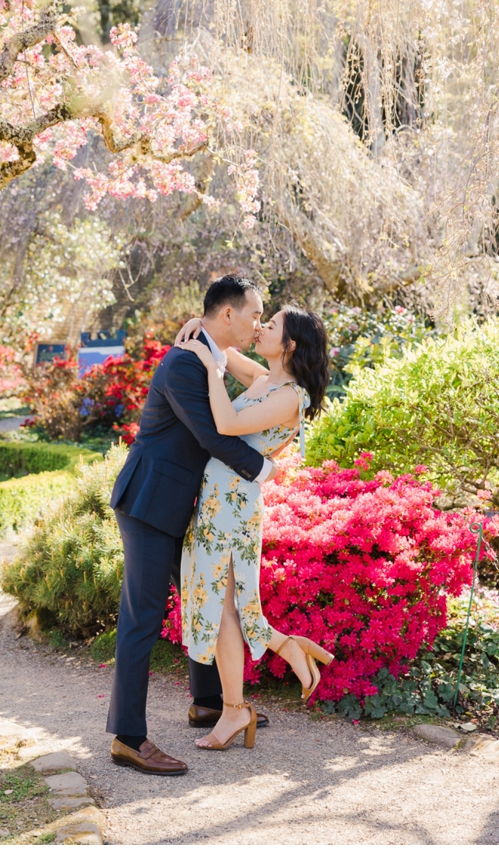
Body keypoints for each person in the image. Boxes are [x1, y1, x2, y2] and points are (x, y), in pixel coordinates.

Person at [105, 274, 276, 776]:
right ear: (228, 314)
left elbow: (254, 384)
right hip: (149, 504)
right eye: (253, 314)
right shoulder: (184, 362)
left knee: (207, 595)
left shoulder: (207, 355)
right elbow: (212, 434)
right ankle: (128, 738)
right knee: (142, 618)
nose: (257, 323)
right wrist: (266, 469)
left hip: (179, 505)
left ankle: (208, 702)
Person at [174, 305, 335, 752]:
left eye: (272, 325)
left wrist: (209, 366)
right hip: (216, 501)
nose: (260, 328)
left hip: (233, 505)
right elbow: (220, 347)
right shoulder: (265, 379)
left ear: (291, 345)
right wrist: (197, 326)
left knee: (227, 606)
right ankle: (258, 681)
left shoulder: (291, 396)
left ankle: (234, 709)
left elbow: (226, 424)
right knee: (226, 605)